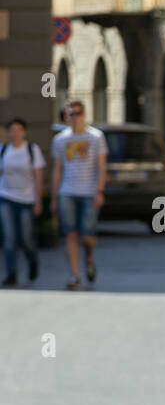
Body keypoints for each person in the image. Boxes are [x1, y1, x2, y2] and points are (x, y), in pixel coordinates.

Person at [49, 100, 107, 291]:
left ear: (84, 114)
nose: (75, 117)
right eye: (71, 113)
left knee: (87, 237)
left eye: (78, 113)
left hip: (89, 192)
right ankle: (75, 276)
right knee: (70, 235)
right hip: (67, 192)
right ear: (66, 116)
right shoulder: (60, 139)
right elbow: (57, 169)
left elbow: (101, 166)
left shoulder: (96, 137)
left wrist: (99, 191)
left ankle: (89, 258)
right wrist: (55, 197)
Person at [0, 118, 46, 285]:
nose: (15, 133)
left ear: (24, 132)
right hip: (6, 197)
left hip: (27, 199)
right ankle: (11, 273)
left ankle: (33, 261)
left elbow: (38, 177)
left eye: (18, 130)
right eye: (12, 130)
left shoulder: (32, 150)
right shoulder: (4, 150)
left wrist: (38, 201)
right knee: (9, 238)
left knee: (26, 238)